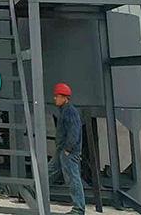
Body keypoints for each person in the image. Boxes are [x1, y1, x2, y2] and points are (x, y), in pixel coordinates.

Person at [49, 82, 84, 214]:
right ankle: (35, 190)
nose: (55, 98)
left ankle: (79, 208)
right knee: (51, 170)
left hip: (68, 151)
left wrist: (68, 149)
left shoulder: (70, 112)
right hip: (62, 150)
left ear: (64, 98)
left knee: (72, 178)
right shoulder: (64, 111)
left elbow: (74, 133)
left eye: (57, 96)